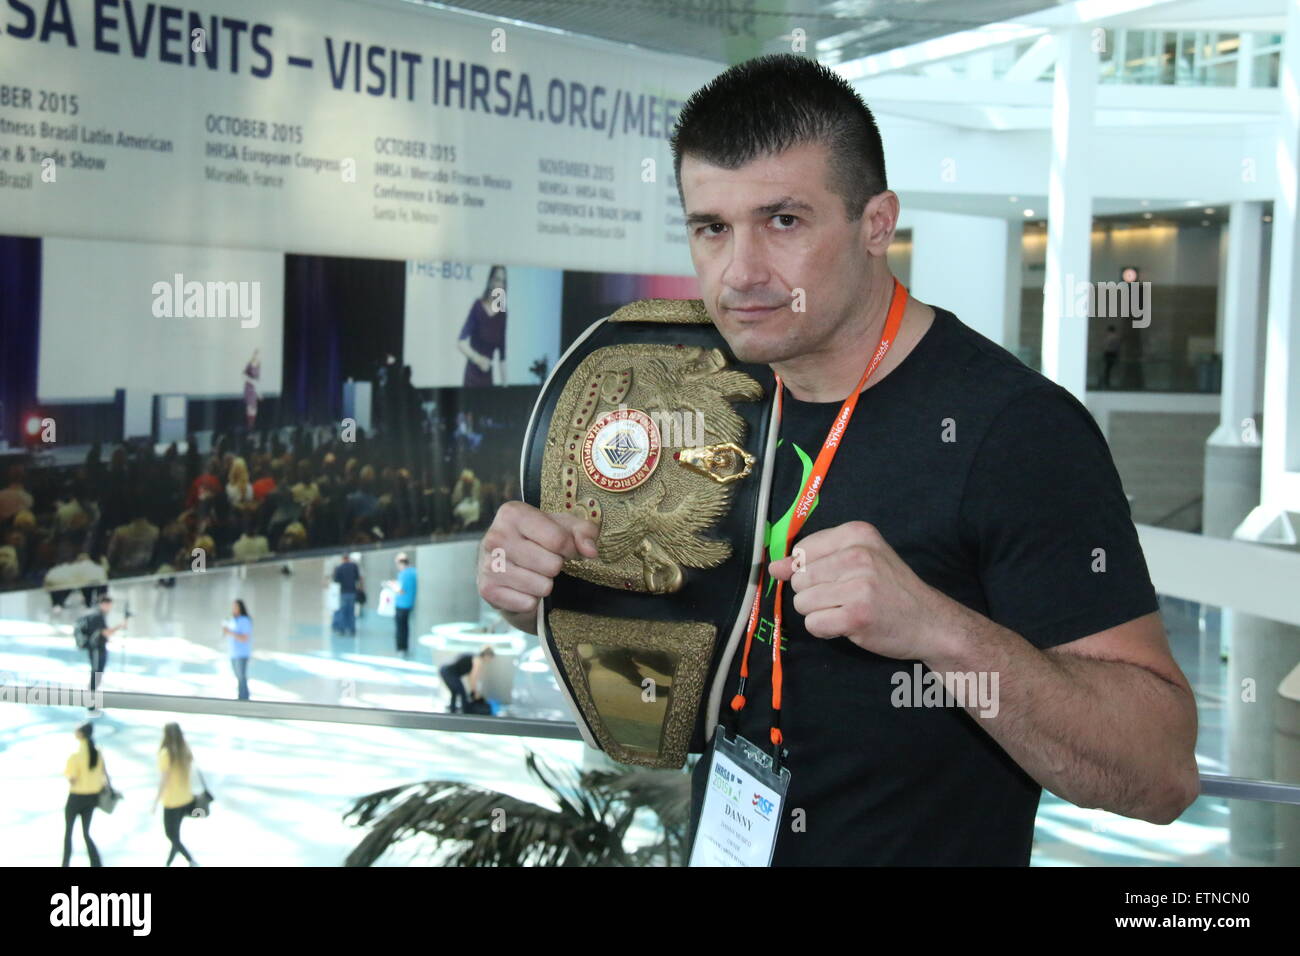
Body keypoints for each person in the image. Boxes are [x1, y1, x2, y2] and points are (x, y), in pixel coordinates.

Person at [475, 54, 1199, 866]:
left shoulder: (1013, 430)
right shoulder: (702, 389)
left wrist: (937, 629)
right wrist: (537, 587)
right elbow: (661, 672)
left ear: (876, 223)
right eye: (712, 227)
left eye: (784, 220)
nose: (741, 273)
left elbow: (1159, 771)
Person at [62, 721, 107, 866]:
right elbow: (103, 773)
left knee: (69, 831)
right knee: (86, 832)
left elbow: (72, 778)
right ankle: (96, 862)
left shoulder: (76, 754)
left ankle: (66, 862)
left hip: (76, 797)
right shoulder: (97, 752)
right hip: (92, 797)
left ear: (81, 734)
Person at [153, 723, 198, 866]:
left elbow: (164, 780)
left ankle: (190, 860)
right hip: (185, 798)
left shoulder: (166, 754)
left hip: (171, 800)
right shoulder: (185, 749)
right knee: (175, 835)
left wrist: (155, 802)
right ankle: (168, 863)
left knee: (171, 835)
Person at [457, 264, 508, 387]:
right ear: (490, 281)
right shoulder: (478, 306)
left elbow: (502, 355)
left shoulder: (502, 315)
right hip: (471, 377)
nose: (499, 284)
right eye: (497, 279)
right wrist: (478, 359)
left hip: (487, 380)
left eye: (503, 281)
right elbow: (461, 342)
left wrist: (505, 388)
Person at [79, 593, 126, 716]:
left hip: (97, 649)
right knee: (96, 675)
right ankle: (91, 704)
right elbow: (104, 633)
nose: (110, 607)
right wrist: (120, 626)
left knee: (96, 675)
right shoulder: (97, 616)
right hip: (96, 650)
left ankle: (92, 703)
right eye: (109, 604)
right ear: (104, 604)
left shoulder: (96, 615)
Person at [440, 645, 495, 714]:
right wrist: (474, 692)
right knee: (462, 693)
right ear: (487, 655)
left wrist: (473, 690)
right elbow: (473, 677)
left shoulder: (474, 657)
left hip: (445, 670)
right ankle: (465, 713)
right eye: (490, 658)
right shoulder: (478, 660)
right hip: (449, 672)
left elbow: (470, 678)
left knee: (454, 692)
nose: (489, 661)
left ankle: (452, 711)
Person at [221, 599, 253, 700]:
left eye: (236, 606)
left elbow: (244, 637)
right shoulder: (233, 620)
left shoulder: (245, 620)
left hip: (242, 653)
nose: (233, 609)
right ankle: (241, 695)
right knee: (238, 676)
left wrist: (230, 632)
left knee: (241, 676)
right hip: (233, 653)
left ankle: (244, 697)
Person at [387, 553, 417, 656]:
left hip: (401, 604)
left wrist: (391, 585)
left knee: (400, 628)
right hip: (409, 604)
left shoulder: (403, 573)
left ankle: (401, 649)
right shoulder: (414, 571)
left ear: (400, 563)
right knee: (405, 627)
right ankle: (405, 648)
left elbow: (401, 590)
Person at [331, 552, 362, 636]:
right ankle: (352, 630)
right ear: (348, 558)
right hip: (352, 592)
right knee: (351, 612)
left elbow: (336, 580)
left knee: (343, 612)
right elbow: (357, 578)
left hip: (343, 593)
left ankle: (342, 630)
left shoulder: (339, 568)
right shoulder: (354, 566)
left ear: (342, 559)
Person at [243, 349, 260, 431]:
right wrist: (251, 381)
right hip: (249, 388)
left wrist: (259, 392)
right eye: (255, 354)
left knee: (254, 409)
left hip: (254, 388)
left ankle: (252, 426)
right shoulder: (249, 364)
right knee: (250, 408)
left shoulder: (259, 364)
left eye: (258, 355)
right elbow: (243, 375)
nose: (256, 356)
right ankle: (249, 427)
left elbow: (258, 378)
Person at [1101, 324, 1121, 389]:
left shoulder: (1110, 337)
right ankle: (1106, 382)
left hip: (1109, 354)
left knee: (1107, 369)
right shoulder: (1115, 337)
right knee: (1108, 369)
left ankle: (1106, 383)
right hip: (1112, 354)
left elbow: (1107, 346)